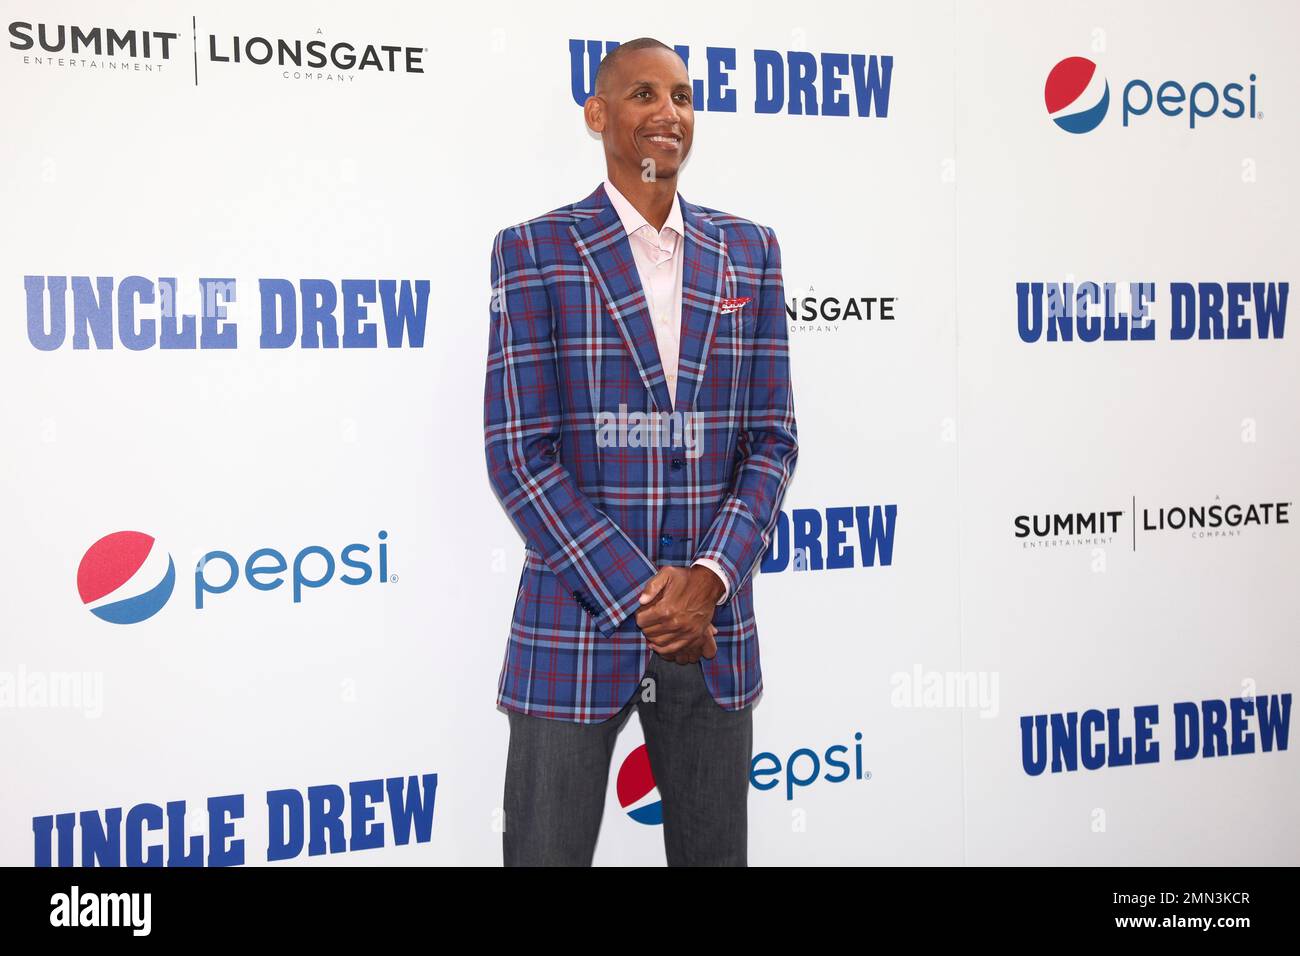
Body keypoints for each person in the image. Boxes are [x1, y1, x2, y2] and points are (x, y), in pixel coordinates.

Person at [483, 36, 798, 866]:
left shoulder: (751, 251)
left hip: (714, 627)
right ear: (597, 114)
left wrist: (709, 580)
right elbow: (518, 451)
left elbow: (772, 439)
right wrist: (650, 596)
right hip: (576, 625)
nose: (669, 114)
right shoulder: (535, 250)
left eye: (683, 98)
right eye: (643, 95)